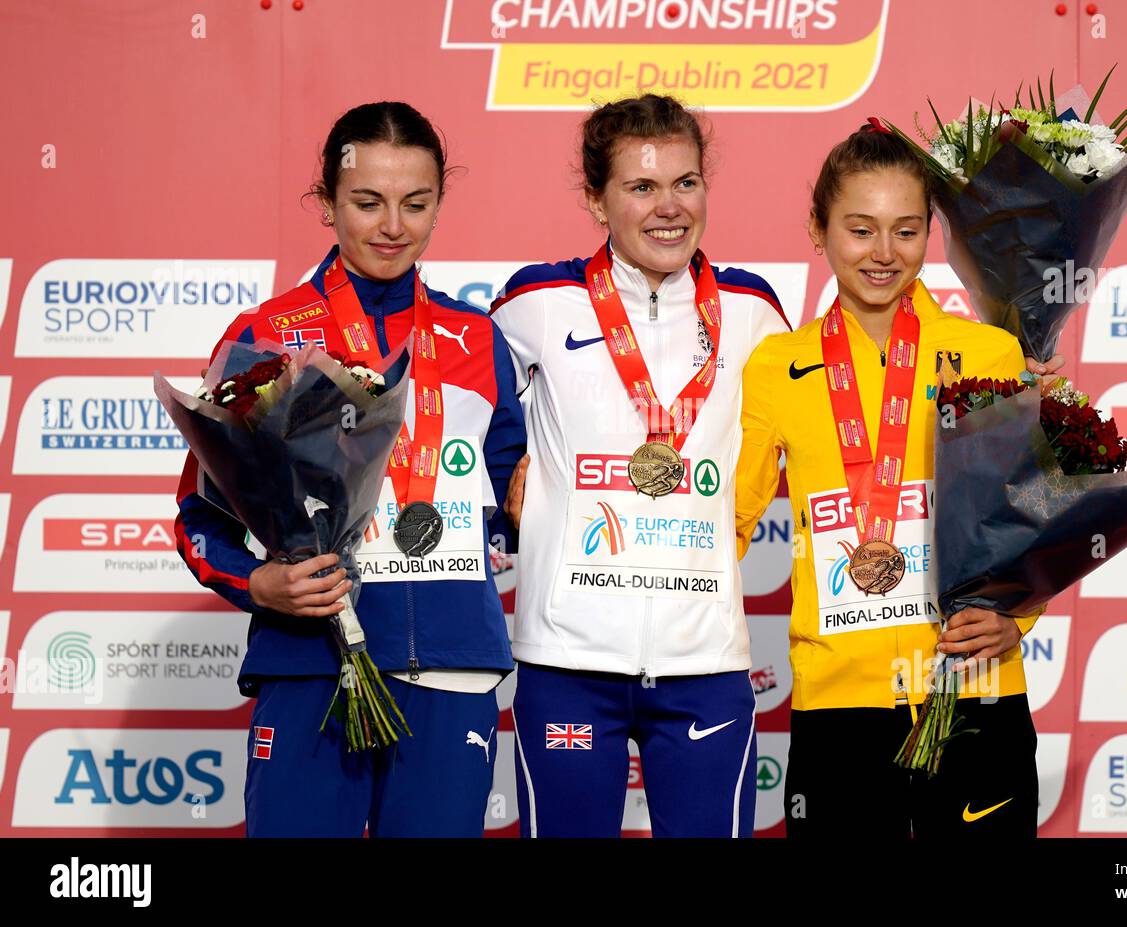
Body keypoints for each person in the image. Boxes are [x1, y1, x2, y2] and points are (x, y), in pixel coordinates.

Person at [174, 101, 526, 837]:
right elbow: (200, 519)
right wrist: (258, 584)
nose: (392, 224)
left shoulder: (478, 341)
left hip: (450, 666)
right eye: (367, 202)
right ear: (327, 203)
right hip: (307, 660)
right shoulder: (266, 334)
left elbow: (510, 509)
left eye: (416, 203)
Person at [734, 121, 1061, 840]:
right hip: (838, 705)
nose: (884, 253)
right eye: (860, 229)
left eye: (906, 230)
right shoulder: (775, 366)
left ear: (931, 231)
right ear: (818, 229)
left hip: (974, 687)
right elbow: (724, 524)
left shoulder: (989, 351)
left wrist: (1018, 617)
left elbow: (1036, 510)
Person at [490, 94, 790, 837]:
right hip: (567, 657)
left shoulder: (755, 312)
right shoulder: (537, 301)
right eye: (642, 186)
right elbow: (453, 414)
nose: (670, 208)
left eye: (686, 183)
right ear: (596, 198)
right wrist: (503, 494)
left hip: (705, 661)